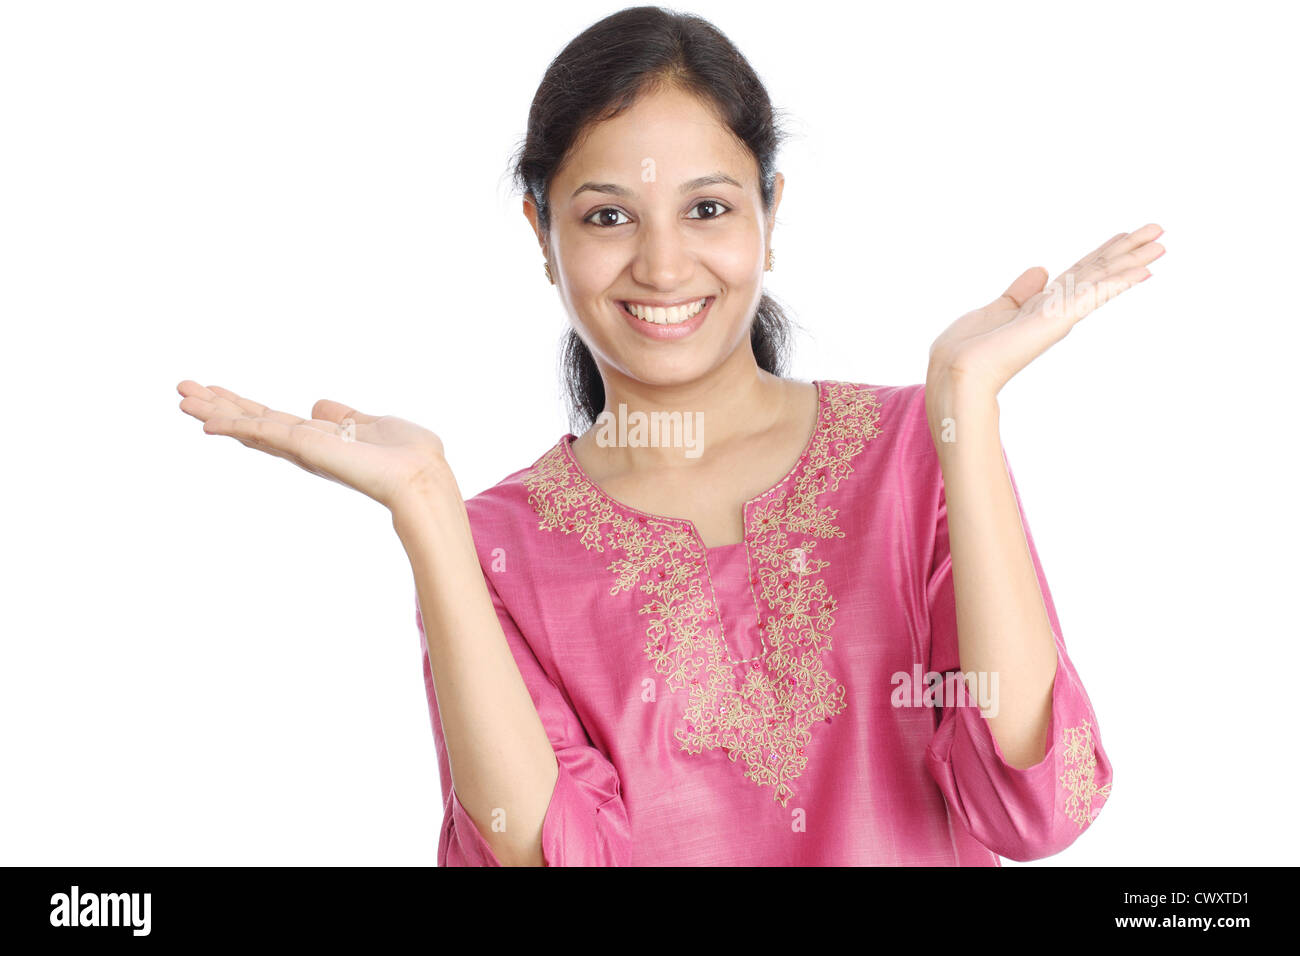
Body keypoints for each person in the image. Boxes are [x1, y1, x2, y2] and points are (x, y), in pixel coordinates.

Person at [177, 6, 1161, 866]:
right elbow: (545, 853)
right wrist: (430, 512)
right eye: (609, 216)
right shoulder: (496, 550)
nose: (661, 264)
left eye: (707, 208)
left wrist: (965, 406)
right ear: (541, 235)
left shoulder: (918, 452)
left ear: (770, 214)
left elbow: (1035, 804)